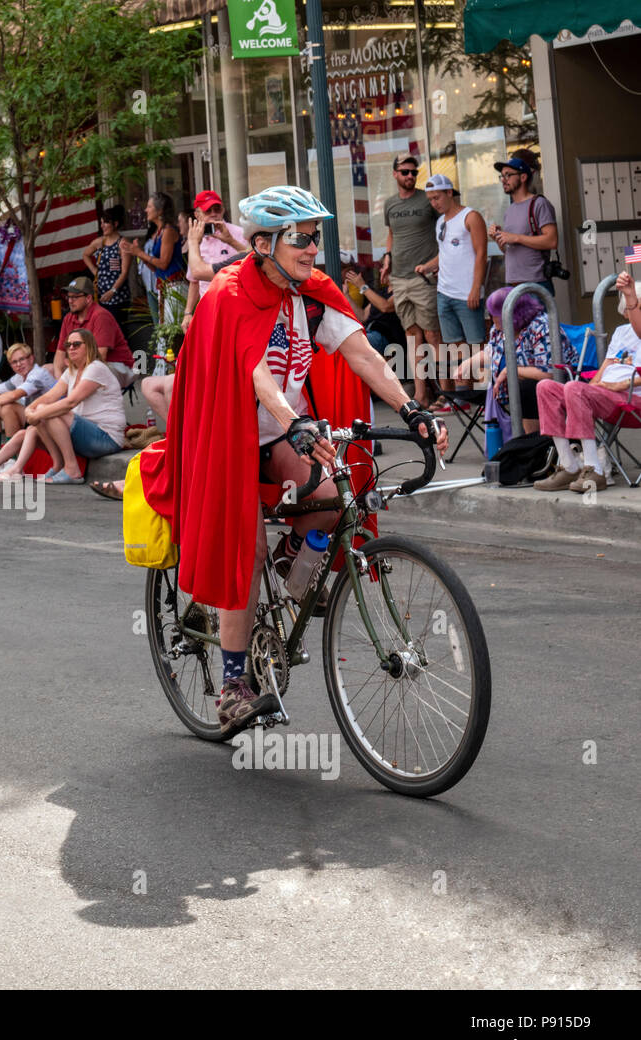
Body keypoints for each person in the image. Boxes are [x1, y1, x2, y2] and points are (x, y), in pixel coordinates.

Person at [141, 185, 446, 732]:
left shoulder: (310, 293)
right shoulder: (231, 294)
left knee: (331, 501)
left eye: (315, 237)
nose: (312, 249)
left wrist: (411, 410)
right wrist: (295, 422)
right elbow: (255, 373)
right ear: (262, 244)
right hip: (231, 434)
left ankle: (294, 564)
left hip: (283, 432)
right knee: (245, 548)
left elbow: (363, 354)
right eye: (300, 238)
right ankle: (233, 685)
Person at [535, 270, 641, 493]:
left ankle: (595, 470)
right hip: (604, 395)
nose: (632, 313)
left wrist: (614, 386)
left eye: (637, 308)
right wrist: (586, 390)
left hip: (631, 399)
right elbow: (605, 368)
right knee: (546, 387)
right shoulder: (621, 332)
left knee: (574, 387)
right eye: (631, 309)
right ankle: (569, 465)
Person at [0, 328, 126, 483]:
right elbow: (50, 396)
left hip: (106, 438)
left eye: (76, 344)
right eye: (68, 344)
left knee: (47, 412)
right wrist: (31, 409)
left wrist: (36, 414)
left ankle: (72, 469)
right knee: (30, 429)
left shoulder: (95, 367)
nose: (70, 348)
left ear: (89, 346)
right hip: (85, 434)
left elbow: (70, 402)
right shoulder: (72, 370)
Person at [415, 174, 487, 399]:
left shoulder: (470, 216)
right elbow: (445, 254)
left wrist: (476, 288)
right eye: (430, 199)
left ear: (449, 193)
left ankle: (486, 394)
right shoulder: (440, 222)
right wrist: (427, 266)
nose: (434, 203)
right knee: (454, 345)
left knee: (476, 344)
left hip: (466, 292)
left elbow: (481, 253)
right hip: (444, 291)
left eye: (437, 197)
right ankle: (463, 393)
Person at [380, 154, 442, 408]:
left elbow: (445, 229)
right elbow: (392, 234)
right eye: (404, 172)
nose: (410, 176)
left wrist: (439, 263)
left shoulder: (427, 201)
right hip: (400, 277)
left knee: (432, 335)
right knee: (413, 336)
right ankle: (421, 395)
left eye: (413, 173)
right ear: (395, 174)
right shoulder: (390, 204)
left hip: (423, 276)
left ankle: (445, 392)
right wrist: (387, 258)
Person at [481, 285, 573, 436]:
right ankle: (522, 442)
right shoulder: (498, 329)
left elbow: (551, 372)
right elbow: (491, 351)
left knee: (526, 389)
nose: (491, 319)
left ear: (512, 313)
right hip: (512, 387)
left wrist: (511, 371)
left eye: (495, 314)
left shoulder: (541, 326)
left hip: (560, 382)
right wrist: (466, 364)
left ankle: (534, 441)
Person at [0, 343, 57, 473]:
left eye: (22, 359)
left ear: (31, 358)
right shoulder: (19, 377)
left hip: (51, 422)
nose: (19, 364)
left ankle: (11, 459)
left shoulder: (38, 374)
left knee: (8, 406)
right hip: (35, 420)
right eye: (14, 362)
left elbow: (14, 395)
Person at [491, 148, 559, 291]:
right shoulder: (510, 210)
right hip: (514, 284)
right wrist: (499, 238)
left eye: (508, 175)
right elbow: (511, 250)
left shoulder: (539, 204)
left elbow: (552, 241)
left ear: (523, 177)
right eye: (502, 176)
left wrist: (516, 237)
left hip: (536, 284)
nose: (504, 180)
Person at [50, 276, 135, 387]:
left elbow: (100, 357)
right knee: (47, 371)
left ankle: (71, 401)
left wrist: (70, 371)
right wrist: (58, 379)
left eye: (75, 297)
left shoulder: (101, 316)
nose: (70, 301)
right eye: (69, 297)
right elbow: (60, 353)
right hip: (85, 365)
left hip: (118, 367)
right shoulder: (68, 318)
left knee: (90, 373)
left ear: (88, 298)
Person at [183, 189, 248, 331]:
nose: (213, 213)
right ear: (197, 215)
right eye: (207, 210)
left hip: (236, 308)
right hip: (208, 309)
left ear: (223, 210)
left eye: (217, 209)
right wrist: (188, 313)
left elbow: (253, 258)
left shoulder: (238, 233)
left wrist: (231, 241)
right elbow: (194, 280)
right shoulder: (195, 239)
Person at [121, 192, 185, 323]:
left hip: (175, 286)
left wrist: (140, 253)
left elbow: (163, 264)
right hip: (164, 286)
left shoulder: (168, 231)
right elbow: (156, 269)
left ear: (160, 210)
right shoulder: (158, 233)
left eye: (149, 207)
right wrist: (138, 254)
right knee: (163, 331)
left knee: (171, 332)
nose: (146, 210)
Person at [83, 205, 133, 329]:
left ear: (115, 224)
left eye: (106, 222)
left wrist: (113, 291)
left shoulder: (122, 243)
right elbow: (85, 255)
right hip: (100, 296)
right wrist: (95, 271)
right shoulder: (100, 242)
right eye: (101, 223)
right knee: (104, 329)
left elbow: (124, 272)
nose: (102, 226)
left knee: (119, 330)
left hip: (118, 297)